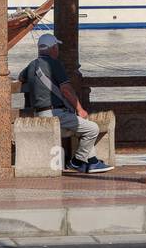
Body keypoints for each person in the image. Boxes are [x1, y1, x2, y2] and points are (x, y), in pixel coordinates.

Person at [18, 33, 112, 173]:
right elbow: (66, 90)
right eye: (57, 47)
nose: (58, 50)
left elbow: (21, 76)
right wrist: (80, 108)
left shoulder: (31, 65)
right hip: (55, 114)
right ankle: (76, 162)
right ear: (54, 48)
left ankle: (92, 162)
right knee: (92, 128)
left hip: (40, 114)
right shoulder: (55, 64)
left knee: (82, 126)